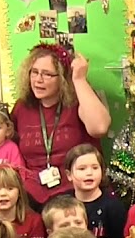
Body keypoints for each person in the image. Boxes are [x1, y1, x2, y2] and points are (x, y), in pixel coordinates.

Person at [11, 43, 111, 205]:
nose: (38, 80)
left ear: (63, 78)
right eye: (34, 72)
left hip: (75, 194)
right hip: (32, 196)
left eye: (47, 74)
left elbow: (100, 127)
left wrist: (78, 79)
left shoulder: (77, 103)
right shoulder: (22, 107)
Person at [65, 143, 127, 238]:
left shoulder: (113, 207)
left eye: (95, 168)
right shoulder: (63, 204)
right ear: (69, 175)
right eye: (82, 168)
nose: (89, 173)